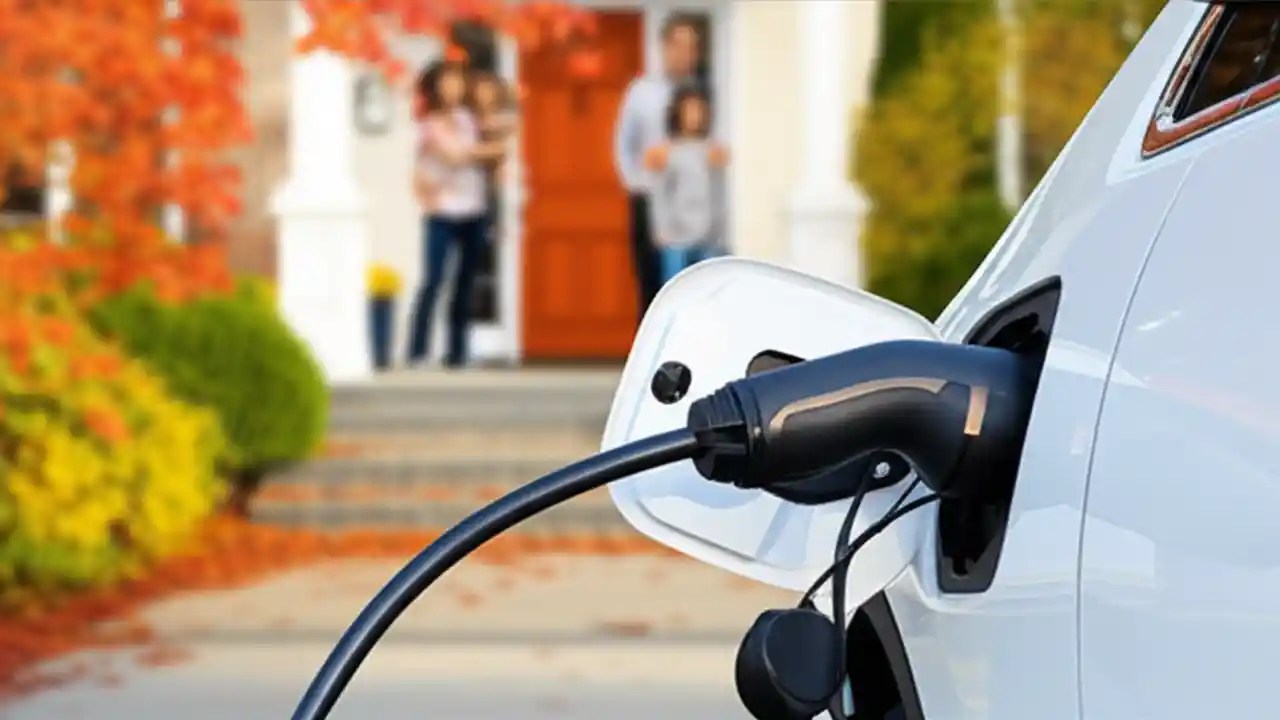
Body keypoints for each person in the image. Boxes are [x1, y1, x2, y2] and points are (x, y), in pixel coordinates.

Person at [613, 13, 727, 324]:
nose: (684, 54)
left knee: (697, 283)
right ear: (664, 47)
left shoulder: (707, 94)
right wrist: (639, 183)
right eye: (678, 45)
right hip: (651, 197)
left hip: (695, 201)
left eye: (692, 47)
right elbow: (623, 145)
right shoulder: (642, 92)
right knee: (652, 282)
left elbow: (718, 144)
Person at [407, 59, 507, 369]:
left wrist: (488, 150)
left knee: (466, 283)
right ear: (436, 87)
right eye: (446, 82)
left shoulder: (469, 120)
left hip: (472, 209)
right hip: (442, 212)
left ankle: (457, 351)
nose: (453, 88)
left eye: (457, 81)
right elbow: (453, 155)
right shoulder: (428, 125)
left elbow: (497, 150)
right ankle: (418, 351)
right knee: (434, 279)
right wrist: (486, 151)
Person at [649, 84, 725, 285]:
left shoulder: (712, 152)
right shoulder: (666, 152)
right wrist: (662, 229)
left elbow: (718, 192)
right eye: (689, 110)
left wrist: (719, 229)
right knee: (677, 288)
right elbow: (661, 193)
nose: (694, 116)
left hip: (708, 236)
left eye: (698, 110)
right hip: (676, 238)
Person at [468, 70, 519, 247]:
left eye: (488, 90)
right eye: (480, 90)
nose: (484, 95)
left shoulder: (505, 117)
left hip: (499, 183)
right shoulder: (468, 118)